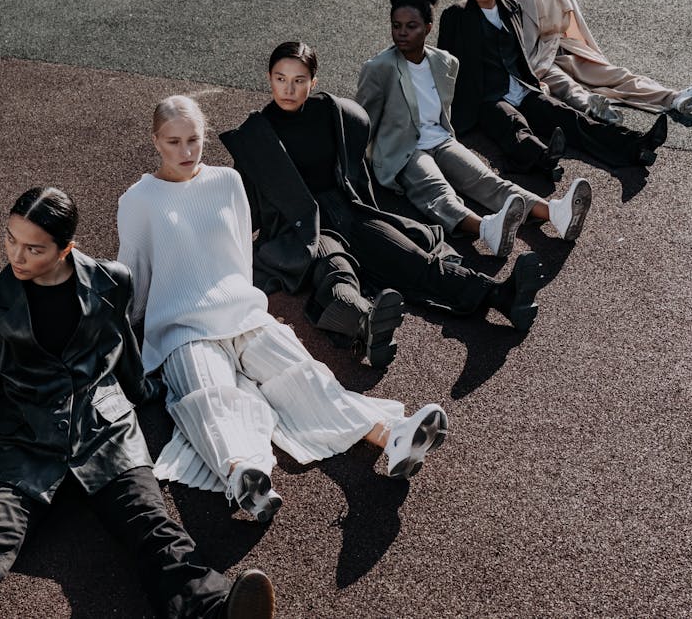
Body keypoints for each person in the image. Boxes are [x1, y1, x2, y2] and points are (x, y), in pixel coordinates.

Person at [0, 187, 275, 619]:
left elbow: (123, 350)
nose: (16, 256)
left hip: (105, 428)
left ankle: (215, 610)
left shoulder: (111, 281)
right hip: (25, 434)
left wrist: (142, 392)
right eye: (10, 239)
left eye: (33, 248)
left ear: (67, 248)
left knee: (155, 530)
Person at [115, 95, 449, 523]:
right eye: (174, 142)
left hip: (242, 312)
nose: (185, 152)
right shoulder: (139, 200)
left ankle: (392, 437)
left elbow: (238, 255)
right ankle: (241, 474)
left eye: (194, 140)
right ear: (155, 141)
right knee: (210, 396)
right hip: (181, 328)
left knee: (304, 375)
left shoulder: (227, 183)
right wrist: (129, 336)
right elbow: (134, 273)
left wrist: (252, 306)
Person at [220, 41, 547, 362]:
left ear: (313, 81)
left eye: (298, 80)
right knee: (336, 268)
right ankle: (365, 324)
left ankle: (501, 296)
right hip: (300, 228)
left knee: (410, 257)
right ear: (269, 78)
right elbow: (242, 204)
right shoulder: (255, 138)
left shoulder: (330, 113)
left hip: (347, 210)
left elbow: (357, 156)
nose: (288, 88)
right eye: (280, 78)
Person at [357, 0, 593, 254]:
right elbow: (362, 120)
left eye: (411, 26)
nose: (401, 33)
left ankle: (556, 213)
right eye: (396, 26)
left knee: (488, 181)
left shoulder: (444, 62)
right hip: (405, 151)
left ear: (428, 28)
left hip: (441, 139)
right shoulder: (378, 68)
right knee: (439, 192)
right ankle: (487, 229)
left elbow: (443, 109)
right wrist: (357, 168)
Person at [437, 0, 669, 171]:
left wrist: (536, 85)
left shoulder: (511, 7)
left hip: (521, 87)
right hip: (487, 97)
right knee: (512, 124)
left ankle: (636, 145)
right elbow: (442, 63)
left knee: (568, 115)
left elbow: (520, 54)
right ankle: (542, 157)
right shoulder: (455, 15)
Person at [509, 0, 692, 125]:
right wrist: (530, 75)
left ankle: (675, 98)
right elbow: (521, 43)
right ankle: (593, 108)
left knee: (616, 74)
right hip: (538, 58)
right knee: (566, 86)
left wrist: (592, 54)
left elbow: (576, 24)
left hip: (565, 47)